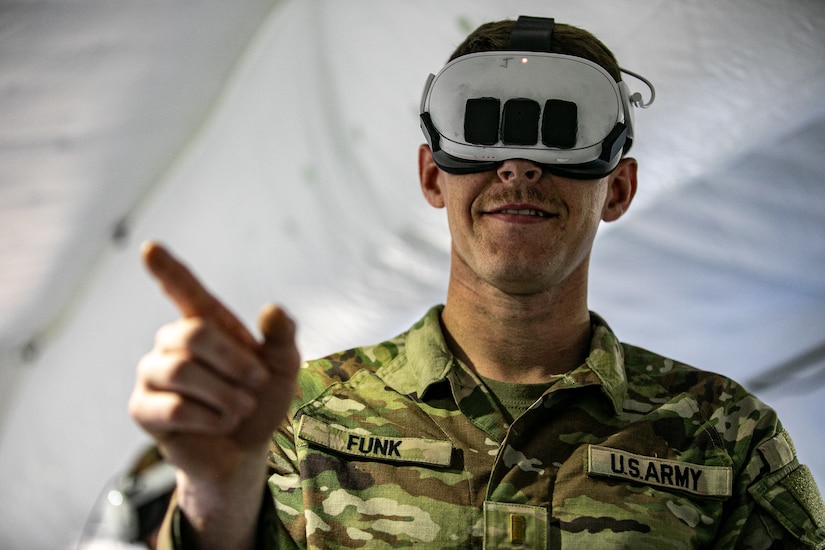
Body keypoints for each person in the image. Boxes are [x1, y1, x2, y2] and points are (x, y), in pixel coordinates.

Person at [129, 15, 825, 549]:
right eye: (485, 133)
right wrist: (215, 493)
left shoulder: (724, 438)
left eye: (560, 134)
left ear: (617, 190)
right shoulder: (300, 419)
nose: (518, 165)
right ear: (433, 175)